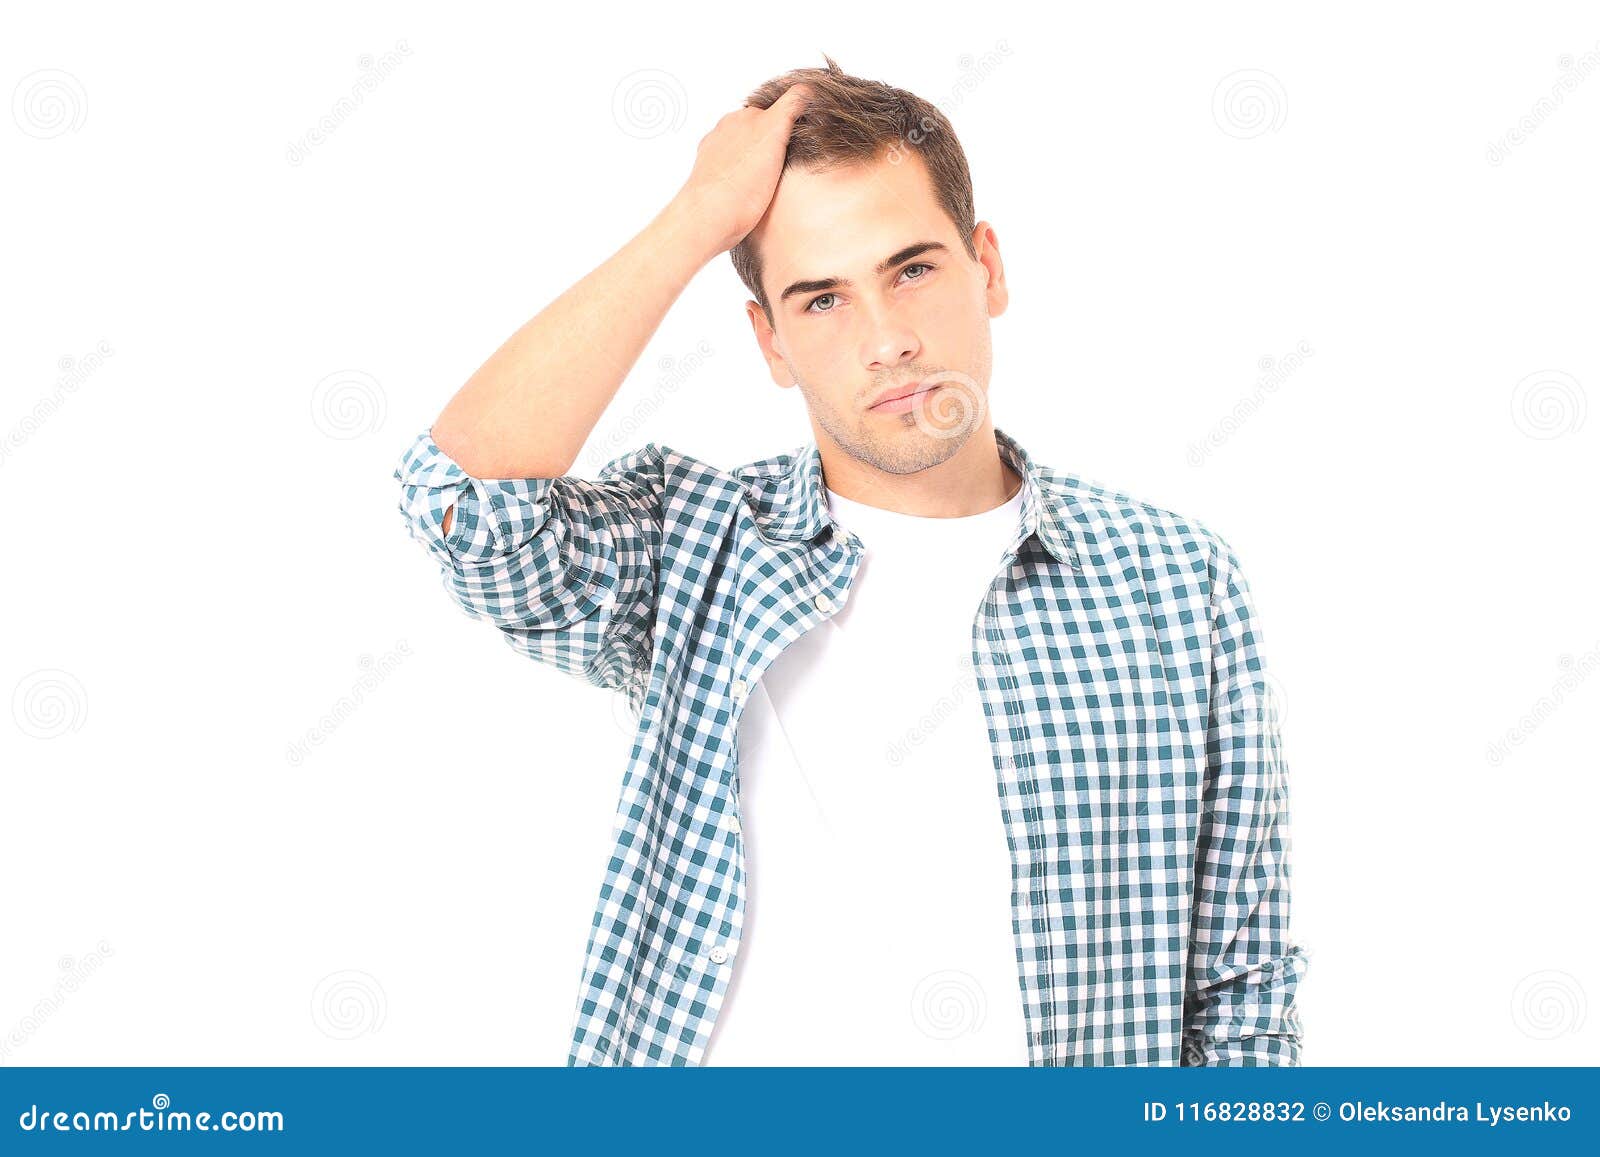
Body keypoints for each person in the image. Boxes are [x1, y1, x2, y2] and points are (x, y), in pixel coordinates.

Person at [393, 55, 1307, 1067]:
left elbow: (1238, 994)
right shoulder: (693, 544)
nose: (886, 341)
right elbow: (459, 503)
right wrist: (696, 219)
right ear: (770, 341)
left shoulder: (1176, 581)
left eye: (910, 269)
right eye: (820, 299)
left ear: (987, 267)